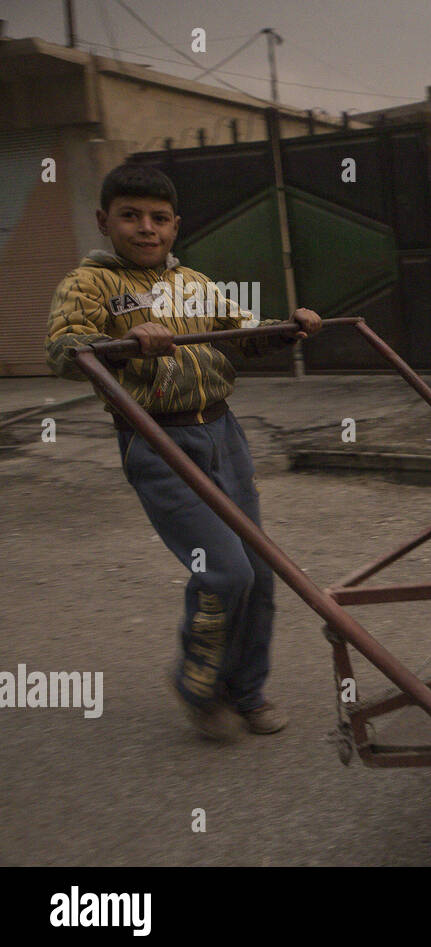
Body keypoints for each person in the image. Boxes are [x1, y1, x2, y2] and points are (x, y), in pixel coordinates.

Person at [45, 163, 322, 740]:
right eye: (131, 216)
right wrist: (120, 345)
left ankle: (246, 692)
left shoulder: (194, 282)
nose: (146, 228)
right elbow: (65, 351)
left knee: (259, 569)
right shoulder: (89, 284)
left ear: (175, 226)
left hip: (225, 435)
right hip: (157, 440)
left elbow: (241, 331)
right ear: (105, 221)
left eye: (159, 218)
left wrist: (288, 327)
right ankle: (199, 683)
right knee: (223, 570)